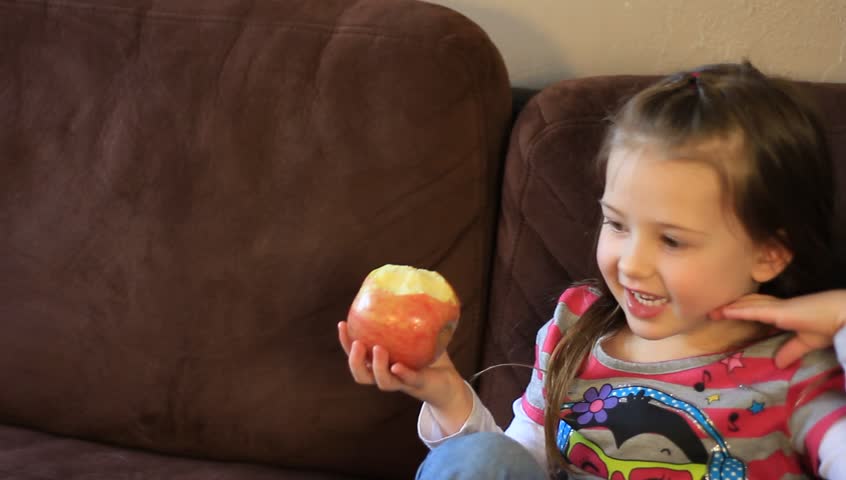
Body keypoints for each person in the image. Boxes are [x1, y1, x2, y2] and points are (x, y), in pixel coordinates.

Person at [338, 61, 846, 479]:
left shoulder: (796, 368)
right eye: (616, 224)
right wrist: (446, 394)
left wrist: (842, 317)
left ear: (768, 254)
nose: (630, 262)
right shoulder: (575, 328)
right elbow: (513, 466)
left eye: (671, 239)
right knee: (480, 459)